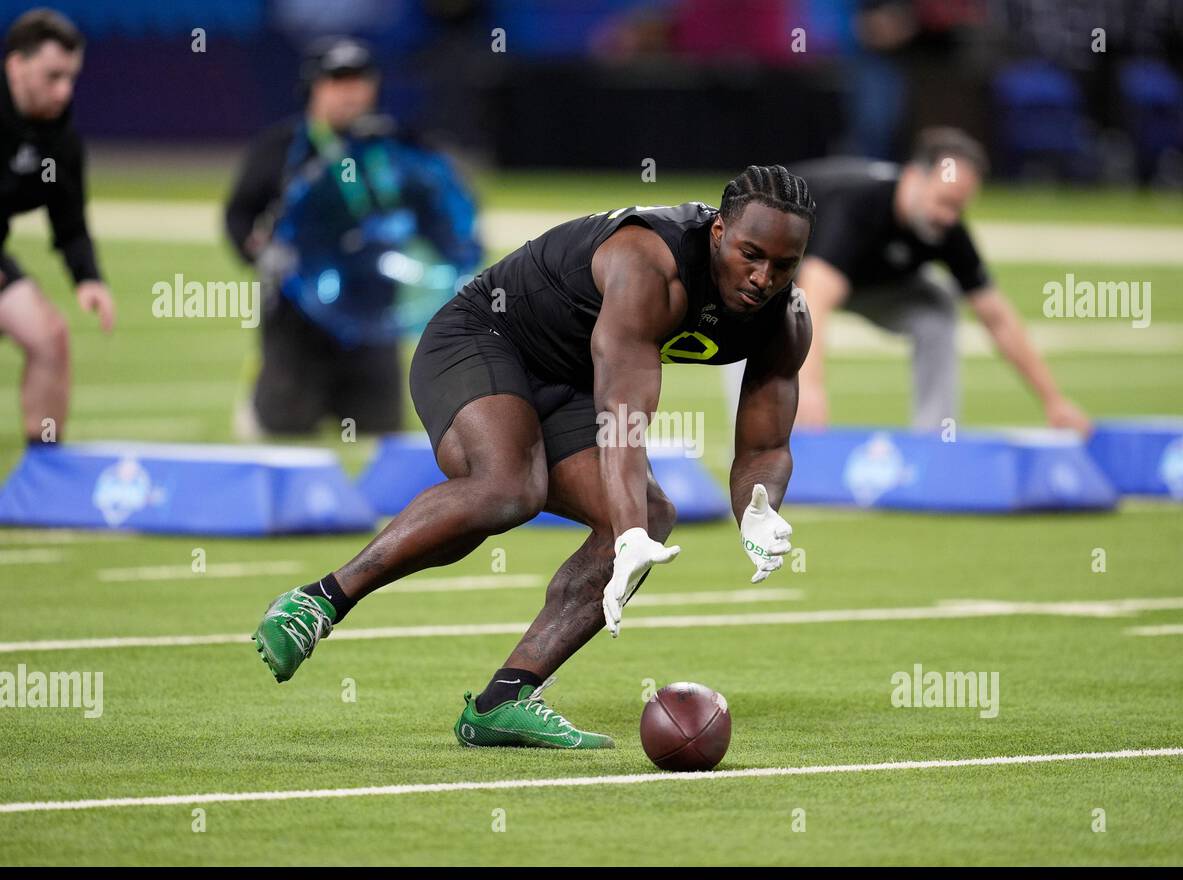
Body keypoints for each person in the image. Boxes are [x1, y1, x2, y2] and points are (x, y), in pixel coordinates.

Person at [250, 166, 815, 749]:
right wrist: (626, 536)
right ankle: (316, 603)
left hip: (569, 381)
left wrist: (760, 510)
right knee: (509, 487)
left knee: (650, 512)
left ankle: (505, 699)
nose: (762, 277)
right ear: (719, 231)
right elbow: (623, 413)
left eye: (784, 264)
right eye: (751, 254)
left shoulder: (786, 319)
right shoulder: (649, 262)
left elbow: (766, 446)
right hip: (483, 337)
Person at [731, 129, 1090, 434]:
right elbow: (812, 299)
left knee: (937, 306)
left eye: (958, 208)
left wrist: (1053, 401)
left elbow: (996, 316)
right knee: (755, 311)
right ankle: (755, 447)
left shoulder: (946, 227)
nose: (948, 217)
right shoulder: (860, 202)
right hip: (778, 275)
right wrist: (808, 387)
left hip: (864, 284)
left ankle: (933, 444)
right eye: (944, 202)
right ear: (914, 179)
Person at [224, 36, 479, 437]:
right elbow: (239, 213)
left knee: (378, 428)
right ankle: (263, 399)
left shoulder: (396, 148)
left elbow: (438, 209)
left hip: (372, 305)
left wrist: (448, 261)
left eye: (359, 80)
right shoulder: (281, 148)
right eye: (337, 81)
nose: (350, 93)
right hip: (296, 309)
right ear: (313, 87)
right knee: (286, 426)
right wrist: (254, 250)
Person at [0, 8, 114, 445]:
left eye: (71, 78)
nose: (64, 91)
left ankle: (43, 468)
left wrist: (88, 278)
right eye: (52, 77)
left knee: (49, 337)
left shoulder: (59, 143)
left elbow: (69, 224)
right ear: (16, 65)